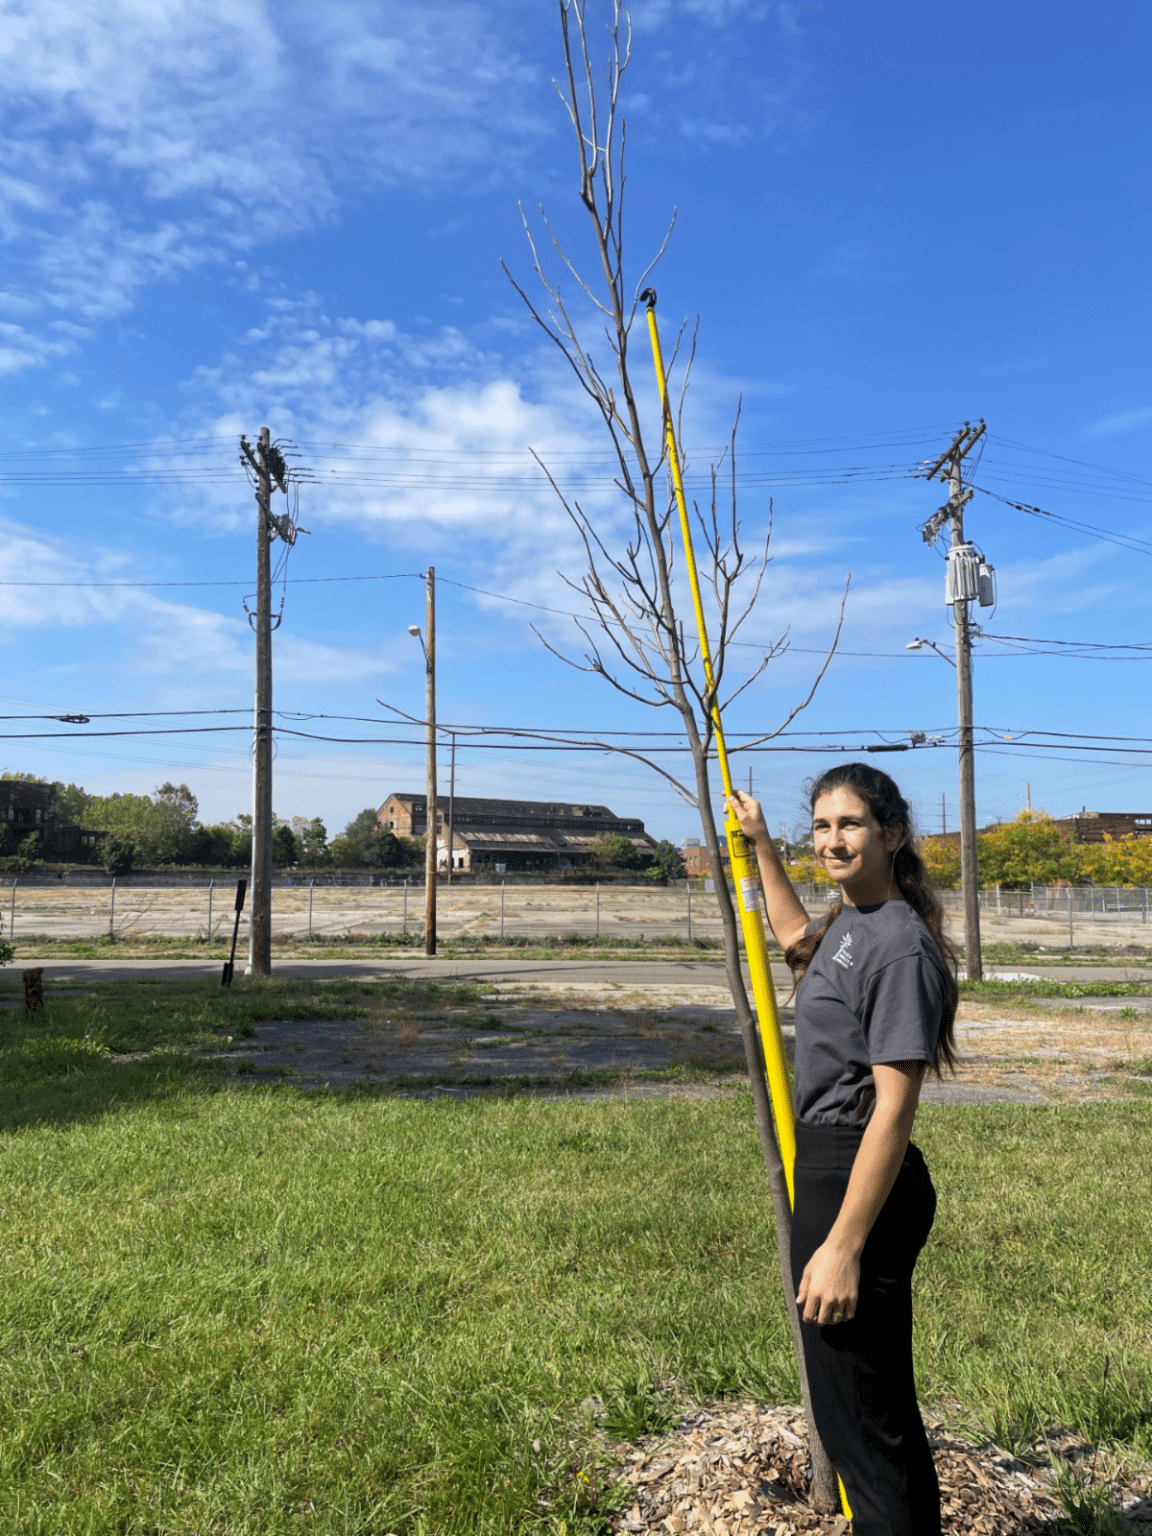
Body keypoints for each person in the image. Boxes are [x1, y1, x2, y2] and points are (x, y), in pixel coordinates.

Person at [728, 762, 957, 1536]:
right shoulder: (850, 924)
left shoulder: (899, 948)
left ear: (892, 834)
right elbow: (796, 938)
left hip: (859, 1173)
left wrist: (843, 1247)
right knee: (857, 1415)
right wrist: (761, 844)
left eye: (850, 824)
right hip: (828, 1163)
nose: (832, 839)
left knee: (867, 1425)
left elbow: (895, 1106)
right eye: (821, 825)